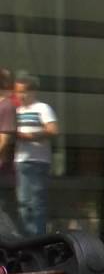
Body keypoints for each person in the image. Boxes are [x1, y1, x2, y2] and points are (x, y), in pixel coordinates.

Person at [13, 74, 58, 237]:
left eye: (24, 92)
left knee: (37, 203)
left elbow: (52, 129)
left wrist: (29, 137)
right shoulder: (17, 111)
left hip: (38, 161)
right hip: (21, 160)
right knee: (23, 203)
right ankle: (25, 239)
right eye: (18, 92)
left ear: (33, 92)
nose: (21, 95)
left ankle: (37, 239)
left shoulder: (42, 108)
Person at [0, 68, 17, 237]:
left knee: (4, 213)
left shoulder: (7, 106)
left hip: (2, 170)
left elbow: (4, 140)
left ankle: (15, 248)